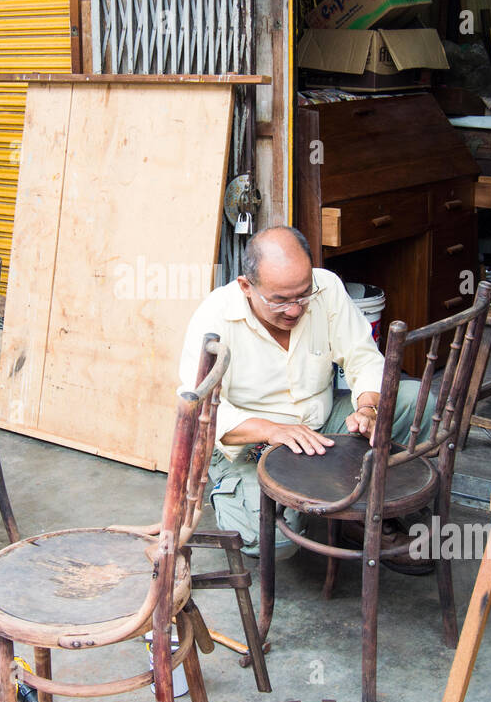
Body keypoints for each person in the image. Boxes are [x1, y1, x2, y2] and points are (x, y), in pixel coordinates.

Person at [178, 226, 433, 565]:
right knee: (269, 542)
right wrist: (272, 430)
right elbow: (198, 408)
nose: (295, 310)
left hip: (321, 424)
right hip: (249, 445)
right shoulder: (215, 317)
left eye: (302, 295)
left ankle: (364, 515)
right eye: (280, 300)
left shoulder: (325, 288)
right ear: (246, 287)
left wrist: (368, 408)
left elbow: (364, 357)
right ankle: (273, 500)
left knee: (419, 403)